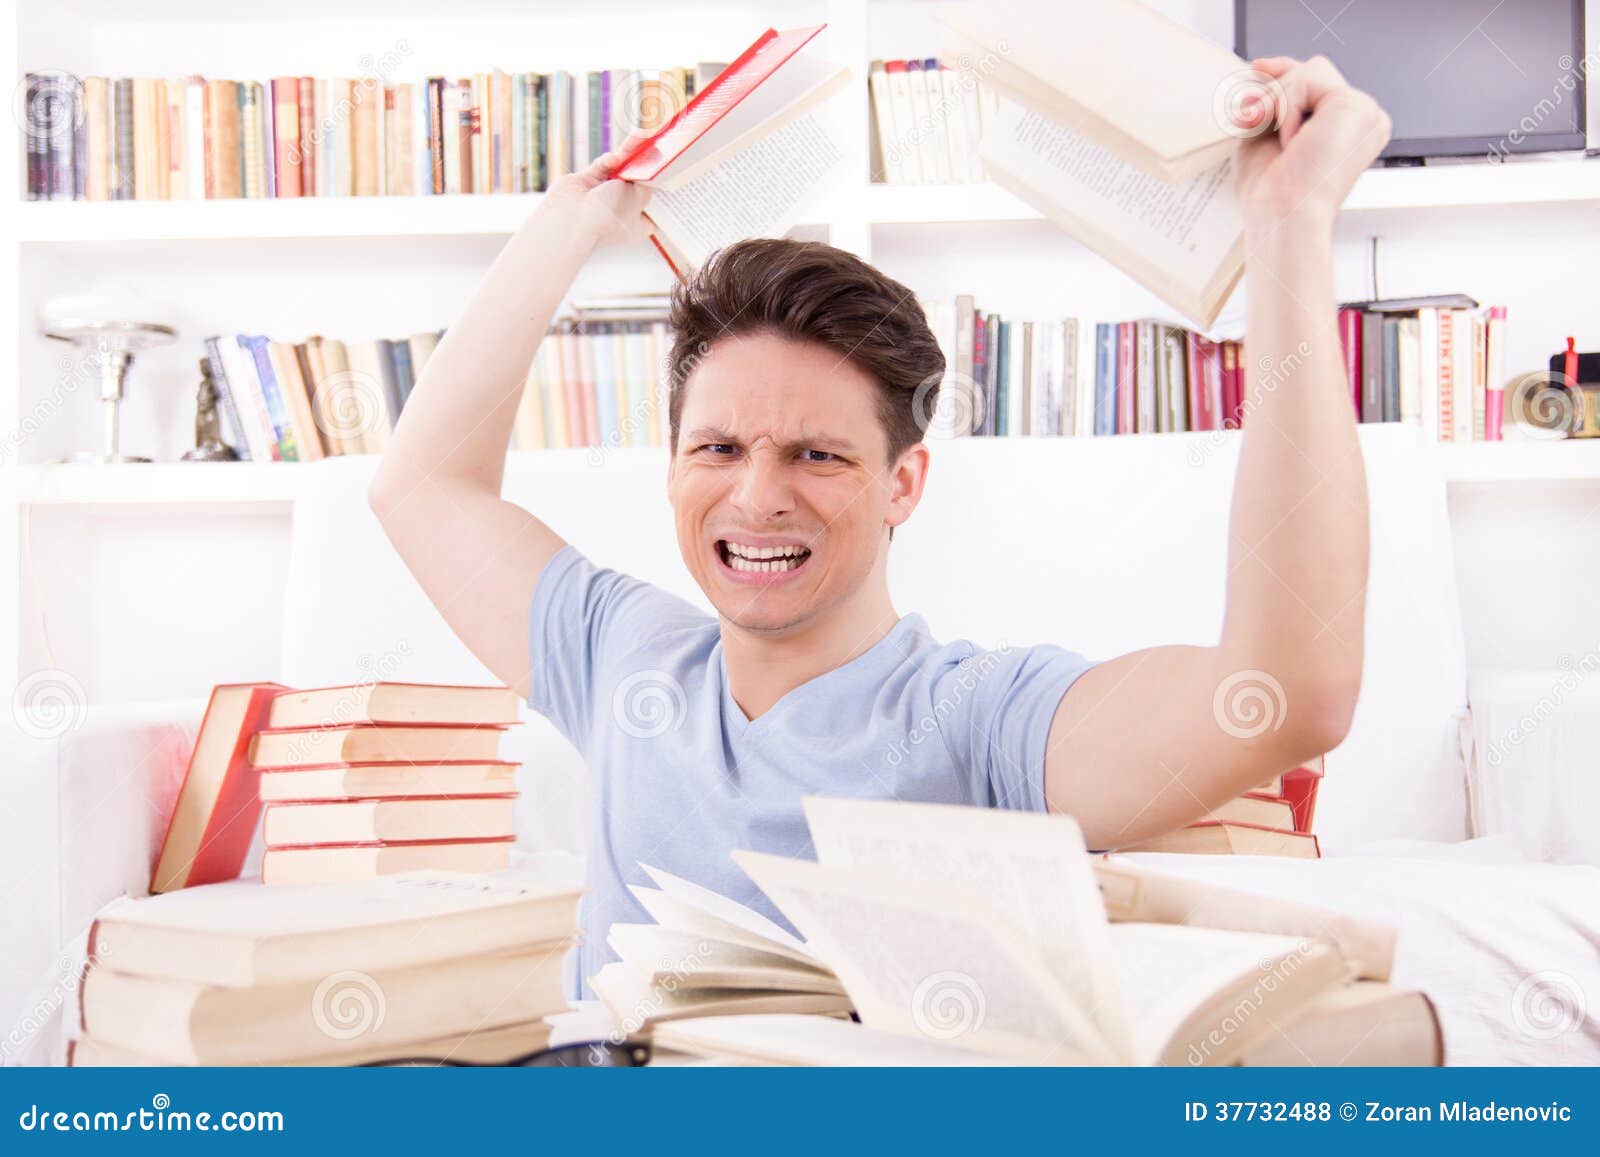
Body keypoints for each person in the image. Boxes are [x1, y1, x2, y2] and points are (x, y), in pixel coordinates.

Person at [370, 56, 1392, 990]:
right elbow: (421, 487)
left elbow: (1284, 696)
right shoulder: (619, 658)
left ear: (904, 484)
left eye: (816, 454)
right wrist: (569, 223)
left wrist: (1290, 228)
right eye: (718, 448)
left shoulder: (980, 717)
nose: (758, 495)